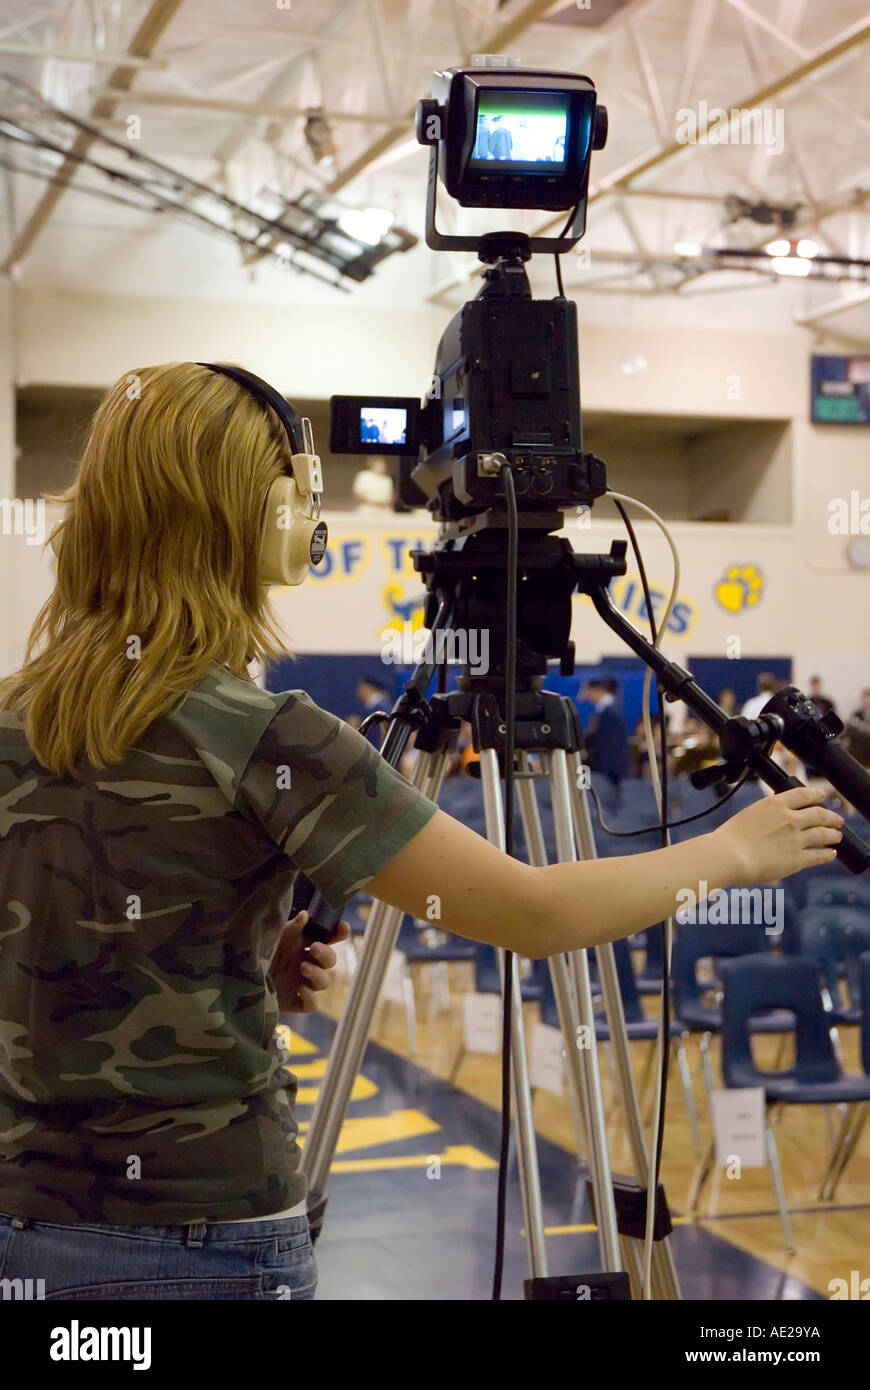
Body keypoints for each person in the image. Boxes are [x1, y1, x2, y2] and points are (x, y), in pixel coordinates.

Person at [0, 362, 843, 1300]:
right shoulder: (268, 735)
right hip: (201, 1238)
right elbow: (533, 913)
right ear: (262, 513)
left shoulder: (9, 718)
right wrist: (736, 850)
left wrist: (218, 967)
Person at [580, 676, 631, 799]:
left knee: (606, 803)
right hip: (611, 768)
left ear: (598, 690)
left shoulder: (609, 712)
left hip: (607, 769)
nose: (587, 696)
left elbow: (607, 744)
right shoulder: (611, 709)